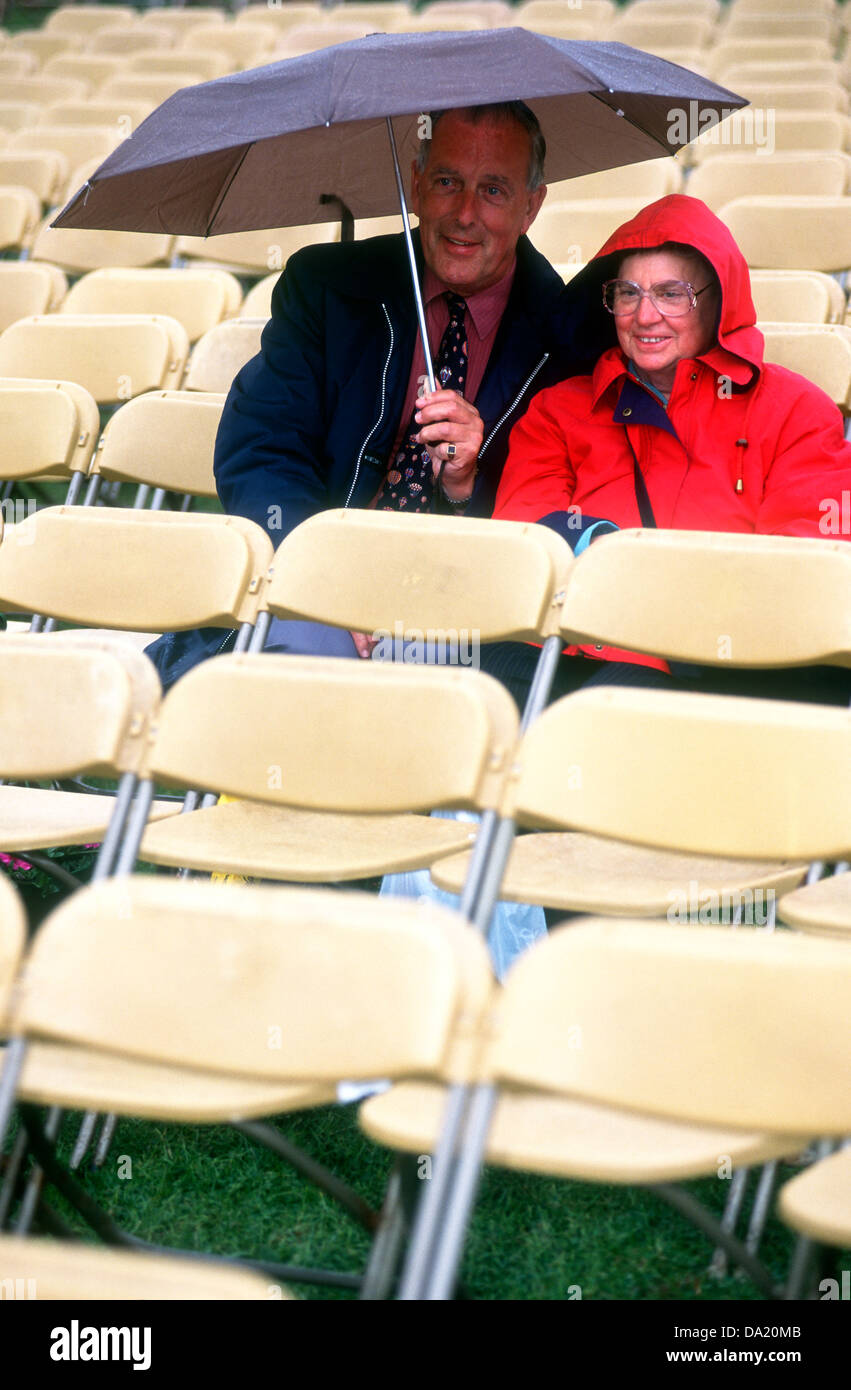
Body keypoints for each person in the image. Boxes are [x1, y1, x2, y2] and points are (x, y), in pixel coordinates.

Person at [208, 101, 592, 664]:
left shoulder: (565, 336)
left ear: (532, 206)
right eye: (446, 181)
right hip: (316, 588)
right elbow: (262, 453)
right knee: (299, 670)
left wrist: (467, 486)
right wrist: (325, 580)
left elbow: (550, 523)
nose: (465, 214)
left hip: (467, 617)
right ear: (415, 183)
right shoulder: (327, 287)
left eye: (493, 190)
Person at [481, 192, 851, 710]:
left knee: (624, 707)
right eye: (627, 294)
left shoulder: (796, 410)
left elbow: (805, 570)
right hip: (571, 650)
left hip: (729, 661)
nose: (645, 315)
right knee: (454, 686)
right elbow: (527, 547)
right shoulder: (556, 412)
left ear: (717, 301)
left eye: (671, 294)